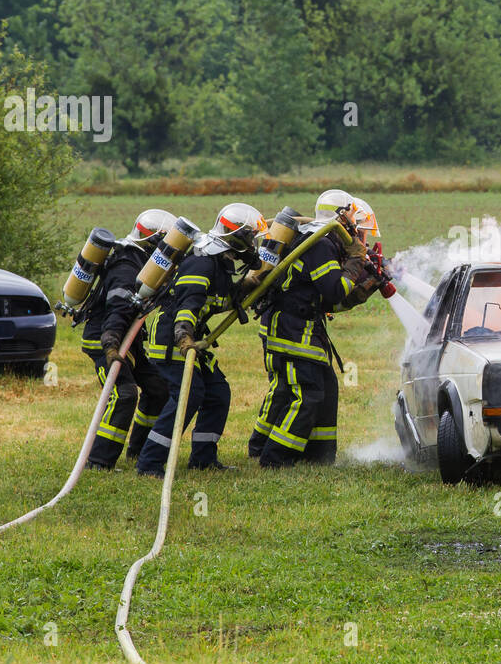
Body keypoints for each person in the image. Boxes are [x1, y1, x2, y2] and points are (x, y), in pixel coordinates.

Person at [248, 190, 385, 468]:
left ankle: (318, 455)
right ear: (342, 216)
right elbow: (334, 291)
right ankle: (275, 458)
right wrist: (356, 262)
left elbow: (328, 302)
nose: (360, 235)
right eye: (356, 224)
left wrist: (367, 285)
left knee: (323, 387)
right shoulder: (320, 244)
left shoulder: (324, 242)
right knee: (306, 392)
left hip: (299, 325)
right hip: (292, 329)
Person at [135, 203, 265, 477]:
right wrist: (184, 338)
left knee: (217, 393)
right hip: (172, 340)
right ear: (237, 236)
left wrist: (244, 289)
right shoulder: (203, 261)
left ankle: (203, 459)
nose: (253, 243)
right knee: (188, 396)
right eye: (250, 237)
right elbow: (189, 304)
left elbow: (216, 300)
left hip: (192, 340)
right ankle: (149, 463)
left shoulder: (220, 261)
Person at [80, 209, 176, 470]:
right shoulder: (127, 266)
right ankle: (99, 461)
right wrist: (110, 343)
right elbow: (119, 308)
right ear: (154, 241)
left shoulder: (142, 261)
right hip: (105, 339)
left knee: (158, 389)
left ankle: (139, 450)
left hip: (127, 340)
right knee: (123, 394)